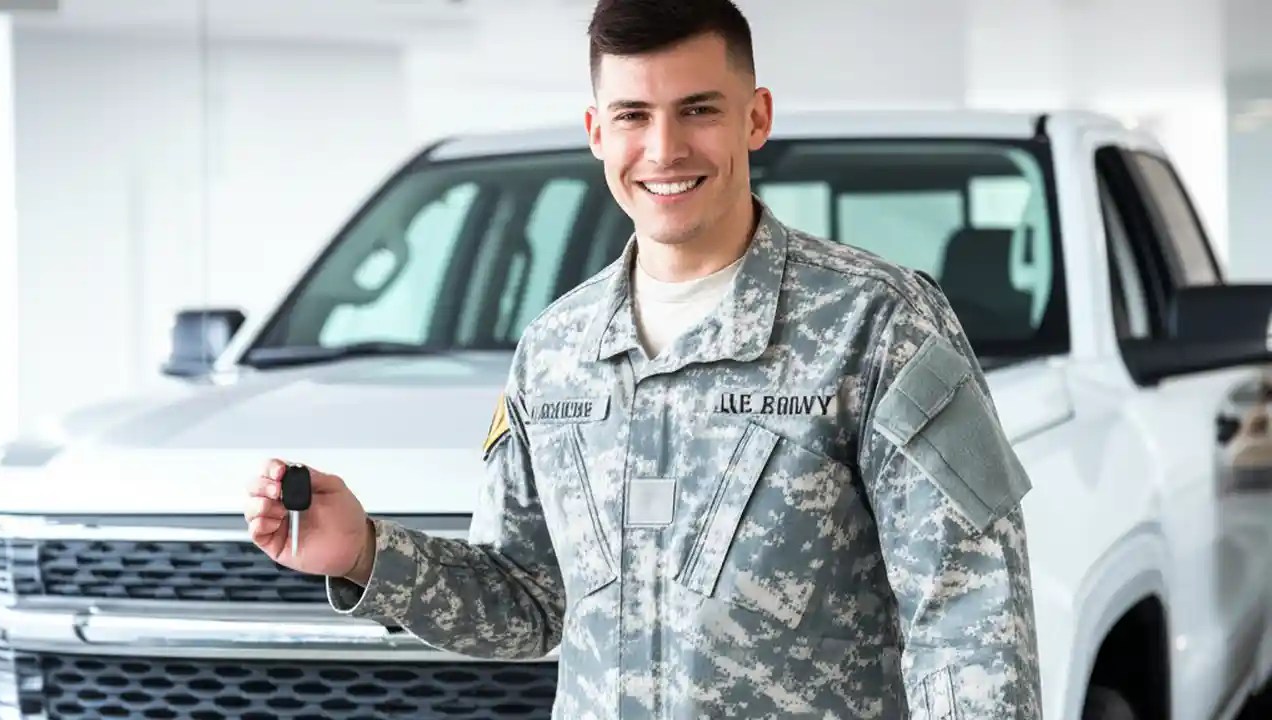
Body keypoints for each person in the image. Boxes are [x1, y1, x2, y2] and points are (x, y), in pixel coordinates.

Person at [244, 0, 1044, 717]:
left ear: (755, 118)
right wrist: (366, 552)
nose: (663, 149)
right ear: (597, 131)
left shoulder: (877, 324)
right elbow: (530, 603)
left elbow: (969, 620)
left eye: (698, 110)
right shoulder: (556, 352)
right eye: (633, 115)